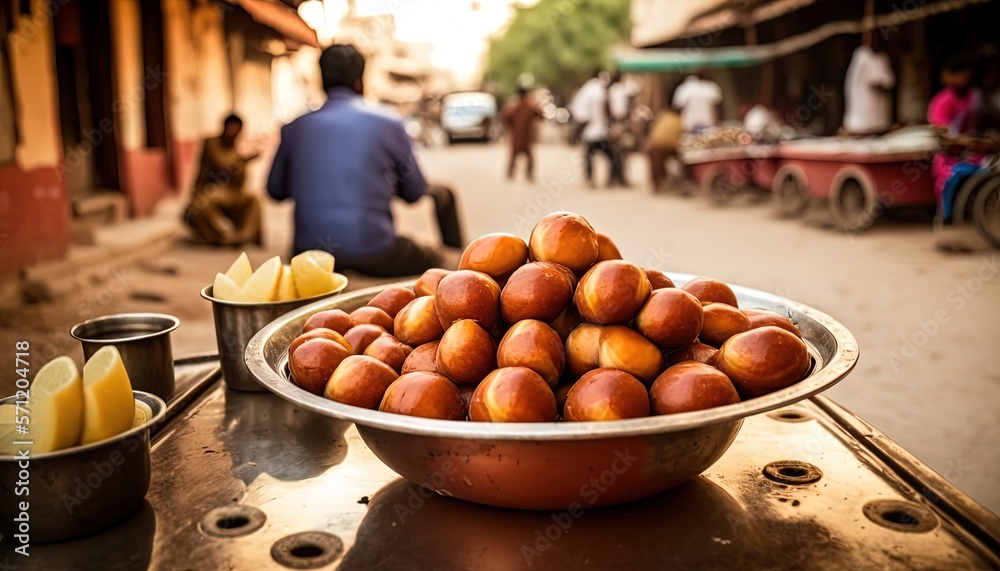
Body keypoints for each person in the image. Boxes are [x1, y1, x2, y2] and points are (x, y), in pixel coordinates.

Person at [266, 45, 463, 277]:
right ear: (360, 81)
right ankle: (462, 275)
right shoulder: (390, 122)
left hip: (309, 257)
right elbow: (414, 192)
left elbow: (275, 191)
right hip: (377, 253)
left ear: (321, 80)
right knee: (441, 255)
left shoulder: (295, 128)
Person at [184, 115, 261, 247]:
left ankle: (244, 237)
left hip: (232, 193)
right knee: (203, 204)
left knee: (255, 200)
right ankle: (224, 235)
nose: (234, 133)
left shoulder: (235, 147)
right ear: (224, 127)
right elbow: (222, 164)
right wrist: (245, 159)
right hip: (211, 190)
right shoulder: (212, 143)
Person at [927, 55, 983, 210]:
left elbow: (975, 125)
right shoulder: (942, 101)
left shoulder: (974, 96)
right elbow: (940, 134)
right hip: (949, 157)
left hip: (972, 153)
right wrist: (962, 141)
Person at [570, 69, 615, 188]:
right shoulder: (599, 92)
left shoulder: (589, 88)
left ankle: (590, 179)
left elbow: (578, 109)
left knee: (588, 155)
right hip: (598, 131)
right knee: (610, 155)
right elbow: (604, 112)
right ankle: (609, 180)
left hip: (590, 131)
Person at [843, 44, 896, 136]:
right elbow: (882, 83)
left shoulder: (868, 58)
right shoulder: (866, 58)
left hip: (866, 123)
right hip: (866, 124)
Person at [502, 85, 542, 181]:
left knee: (513, 155)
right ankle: (529, 175)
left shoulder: (513, 105)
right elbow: (540, 116)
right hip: (527, 137)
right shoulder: (531, 105)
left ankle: (510, 175)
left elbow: (505, 119)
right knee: (529, 157)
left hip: (516, 136)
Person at [606, 70, 631, 187]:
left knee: (617, 152)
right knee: (619, 153)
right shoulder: (620, 89)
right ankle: (617, 177)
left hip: (614, 123)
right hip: (619, 123)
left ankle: (616, 177)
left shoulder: (611, 90)